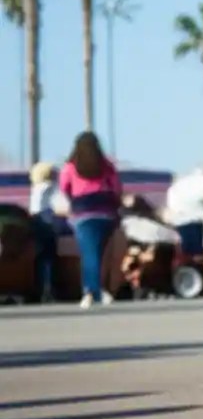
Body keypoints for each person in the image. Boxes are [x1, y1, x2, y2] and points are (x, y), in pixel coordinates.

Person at [58, 132, 124, 308]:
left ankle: (90, 291)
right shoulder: (106, 165)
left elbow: (64, 187)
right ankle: (99, 290)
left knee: (89, 254)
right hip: (105, 213)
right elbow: (117, 188)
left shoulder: (70, 167)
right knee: (100, 254)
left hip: (82, 214)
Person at [26, 162, 63, 302]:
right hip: (46, 222)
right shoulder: (50, 187)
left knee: (40, 257)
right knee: (49, 257)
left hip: (36, 221)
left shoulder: (35, 188)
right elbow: (59, 204)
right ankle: (49, 289)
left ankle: (40, 288)